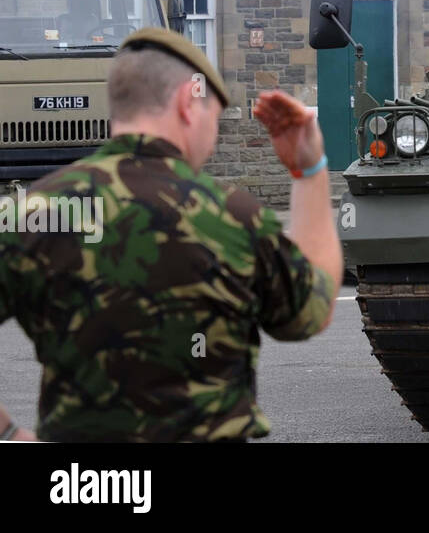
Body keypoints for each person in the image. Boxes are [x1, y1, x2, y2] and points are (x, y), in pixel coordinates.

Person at [0, 27, 342, 442]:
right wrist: (310, 170)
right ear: (186, 103)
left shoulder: (37, 213)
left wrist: (14, 434)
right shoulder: (233, 217)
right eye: (213, 117)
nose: (213, 141)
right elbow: (313, 309)